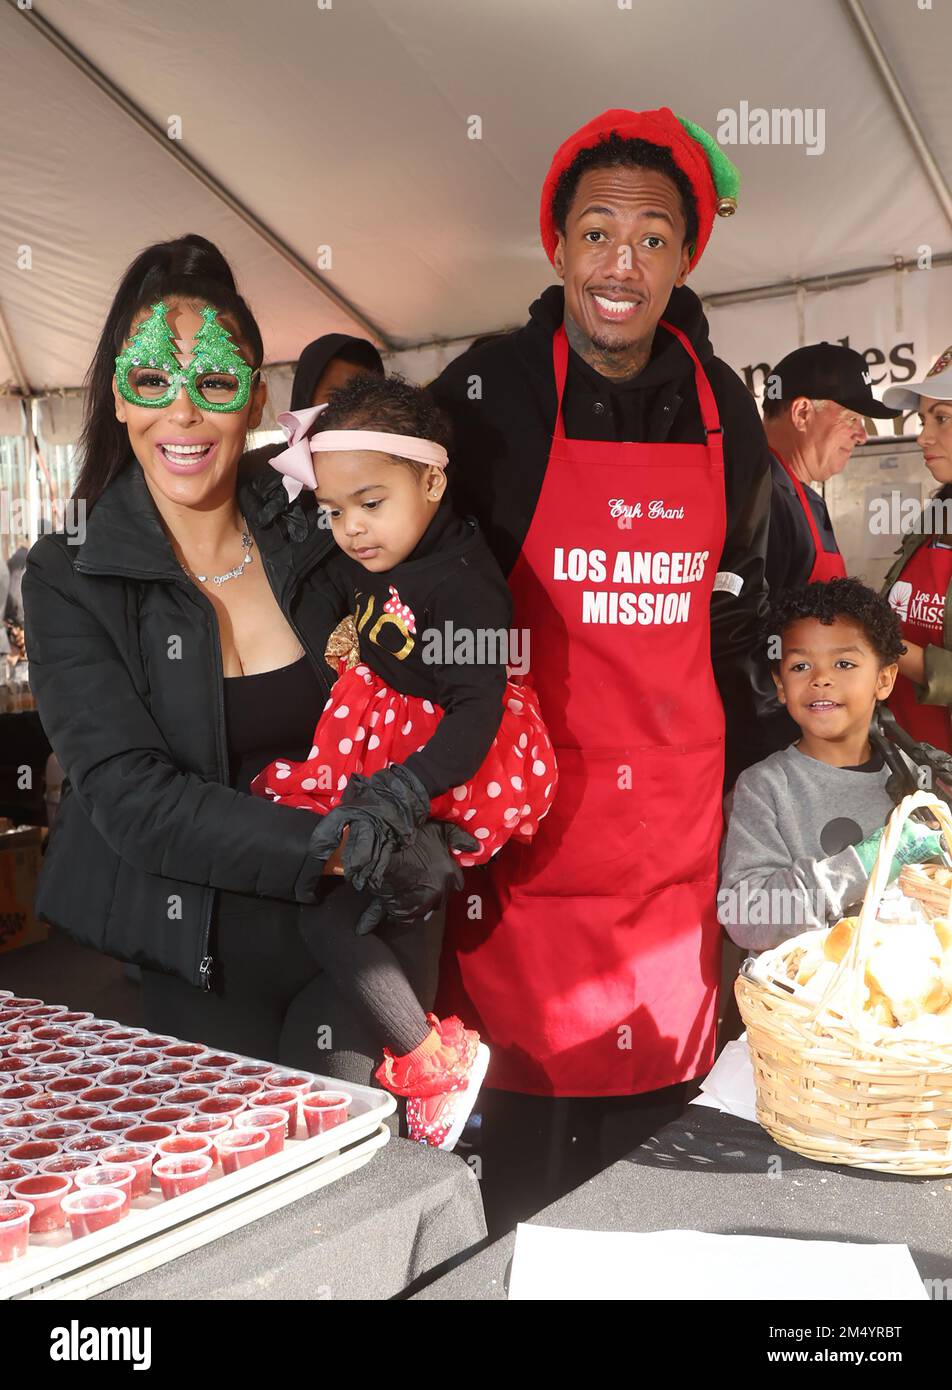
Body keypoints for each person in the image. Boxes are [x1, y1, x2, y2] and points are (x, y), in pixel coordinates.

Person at [428, 105, 774, 1228]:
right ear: (558, 244)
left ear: (683, 257)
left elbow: (740, 609)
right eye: (596, 232)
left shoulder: (723, 405)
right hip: (521, 848)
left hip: (670, 845)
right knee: (521, 1182)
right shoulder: (486, 397)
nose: (620, 264)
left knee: (660, 1177)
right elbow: (417, 595)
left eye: (652, 237)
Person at [22, 234, 465, 1082]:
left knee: (368, 1182)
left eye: (215, 383)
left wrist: (435, 808)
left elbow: (427, 662)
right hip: (204, 959)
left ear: (253, 397)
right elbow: (132, 799)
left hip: (367, 944)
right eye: (152, 380)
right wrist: (341, 845)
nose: (182, 414)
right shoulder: (70, 572)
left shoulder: (320, 521)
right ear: (117, 395)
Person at [252, 374, 557, 1147]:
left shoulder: (466, 584)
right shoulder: (387, 542)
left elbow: (477, 710)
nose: (351, 529)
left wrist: (407, 789)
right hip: (378, 753)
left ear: (432, 479)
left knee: (342, 907)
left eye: (370, 503)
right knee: (355, 909)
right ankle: (407, 1078)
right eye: (334, 510)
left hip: (437, 767)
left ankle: (432, 1063)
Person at [719, 578, 944, 954]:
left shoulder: (912, 773)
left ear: (885, 678)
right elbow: (745, 915)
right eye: (800, 665)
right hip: (808, 1002)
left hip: (904, 997)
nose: (821, 678)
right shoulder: (765, 788)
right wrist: (867, 862)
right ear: (780, 685)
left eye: (844, 663)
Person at [763, 343, 898, 593]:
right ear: (802, 413)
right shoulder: (760, 499)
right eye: (852, 419)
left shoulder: (799, 496)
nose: (862, 435)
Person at [882, 348, 952, 752]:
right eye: (923, 420)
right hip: (912, 767)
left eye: (941, 418)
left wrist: (884, 643)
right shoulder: (936, 515)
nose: (923, 436)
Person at [240, 333, 384, 481]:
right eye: (336, 395)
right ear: (306, 397)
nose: (349, 405)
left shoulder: (391, 467)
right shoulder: (254, 472)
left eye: (362, 395)